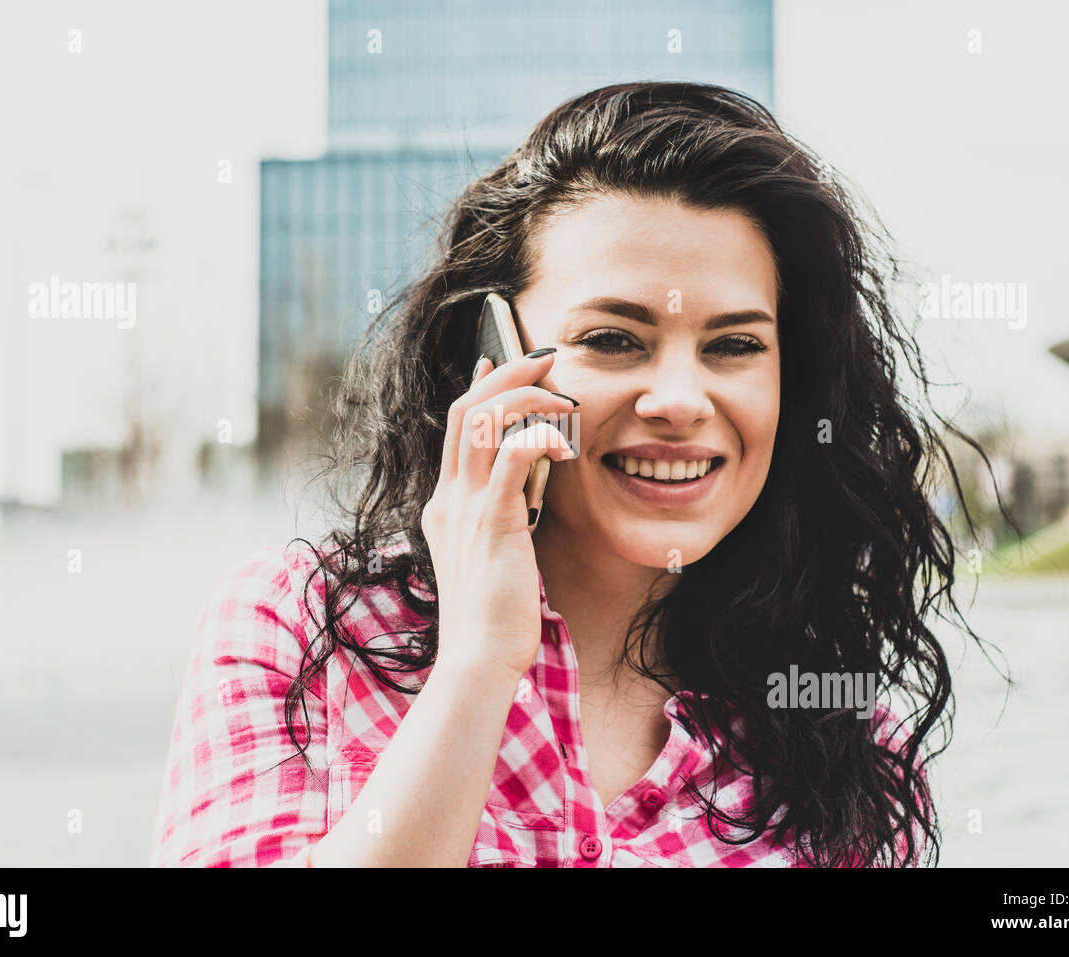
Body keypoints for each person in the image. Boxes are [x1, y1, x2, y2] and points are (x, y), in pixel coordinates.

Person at [149, 81, 1008, 867]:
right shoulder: (300, 627)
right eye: (612, 339)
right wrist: (477, 666)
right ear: (496, 357)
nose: (679, 399)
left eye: (735, 346)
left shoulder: (843, 745)